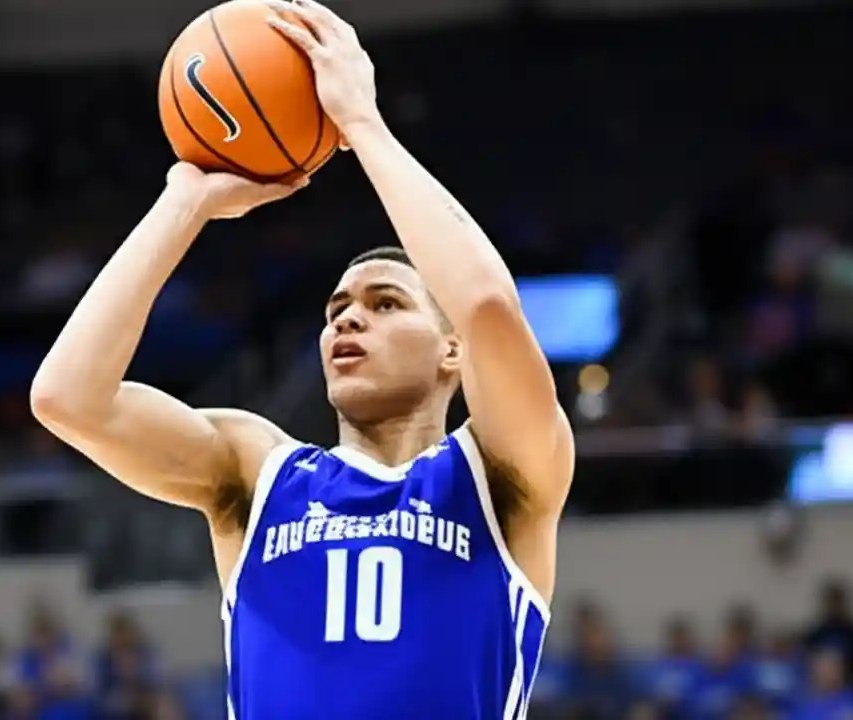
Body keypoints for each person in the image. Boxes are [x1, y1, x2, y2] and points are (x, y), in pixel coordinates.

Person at [29, 1, 574, 717]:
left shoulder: (501, 475)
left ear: (453, 351)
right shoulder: (258, 474)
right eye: (336, 309)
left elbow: (489, 308)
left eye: (387, 303)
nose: (349, 316)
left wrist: (363, 127)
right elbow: (68, 397)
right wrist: (184, 204)